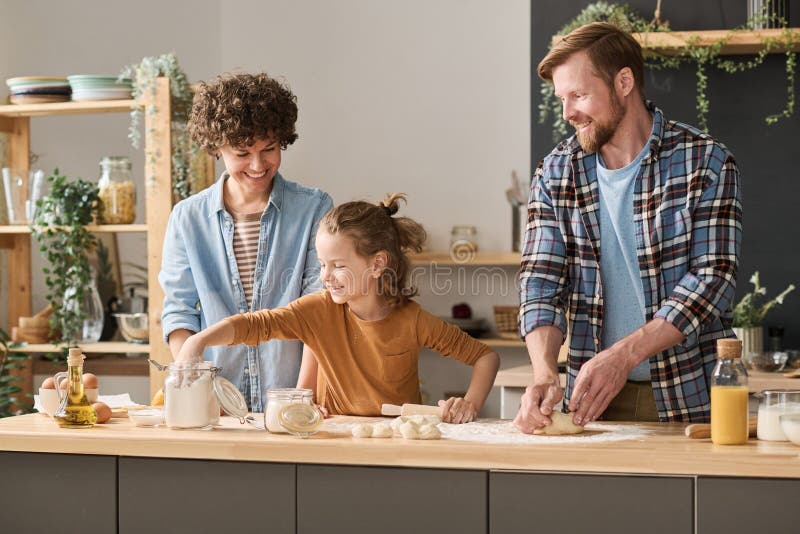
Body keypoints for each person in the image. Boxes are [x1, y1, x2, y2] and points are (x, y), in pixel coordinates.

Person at [514, 22, 742, 432]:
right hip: (590, 401)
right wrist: (545, 372)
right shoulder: (554, 174)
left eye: (579, 95)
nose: (568, 113)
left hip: (688, 396)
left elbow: (713, 277)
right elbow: (541, 283)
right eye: (562, 99)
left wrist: (623, 355)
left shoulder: (704, 162)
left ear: (624, 82)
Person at [176, 193, 500, 423]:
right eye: (321, 264)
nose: (325, 276)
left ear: (377, 265)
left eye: (338, 265)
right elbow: (256, 325)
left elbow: (485, 357)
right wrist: (197, 341)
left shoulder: (412, 320)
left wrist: (469, 404)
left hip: (397, 450)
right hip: (334, 445)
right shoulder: (318, 310)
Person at [159, 72, 333, 413]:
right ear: (216, 147)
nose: (257, 165)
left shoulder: (314, 209)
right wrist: (197, 384)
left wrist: (300, 398)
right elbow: (178, 310)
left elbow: (321, 308)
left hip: (295, 399)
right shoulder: (187, 218)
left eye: (269, 149)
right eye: (242, 153)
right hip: (216, 402)